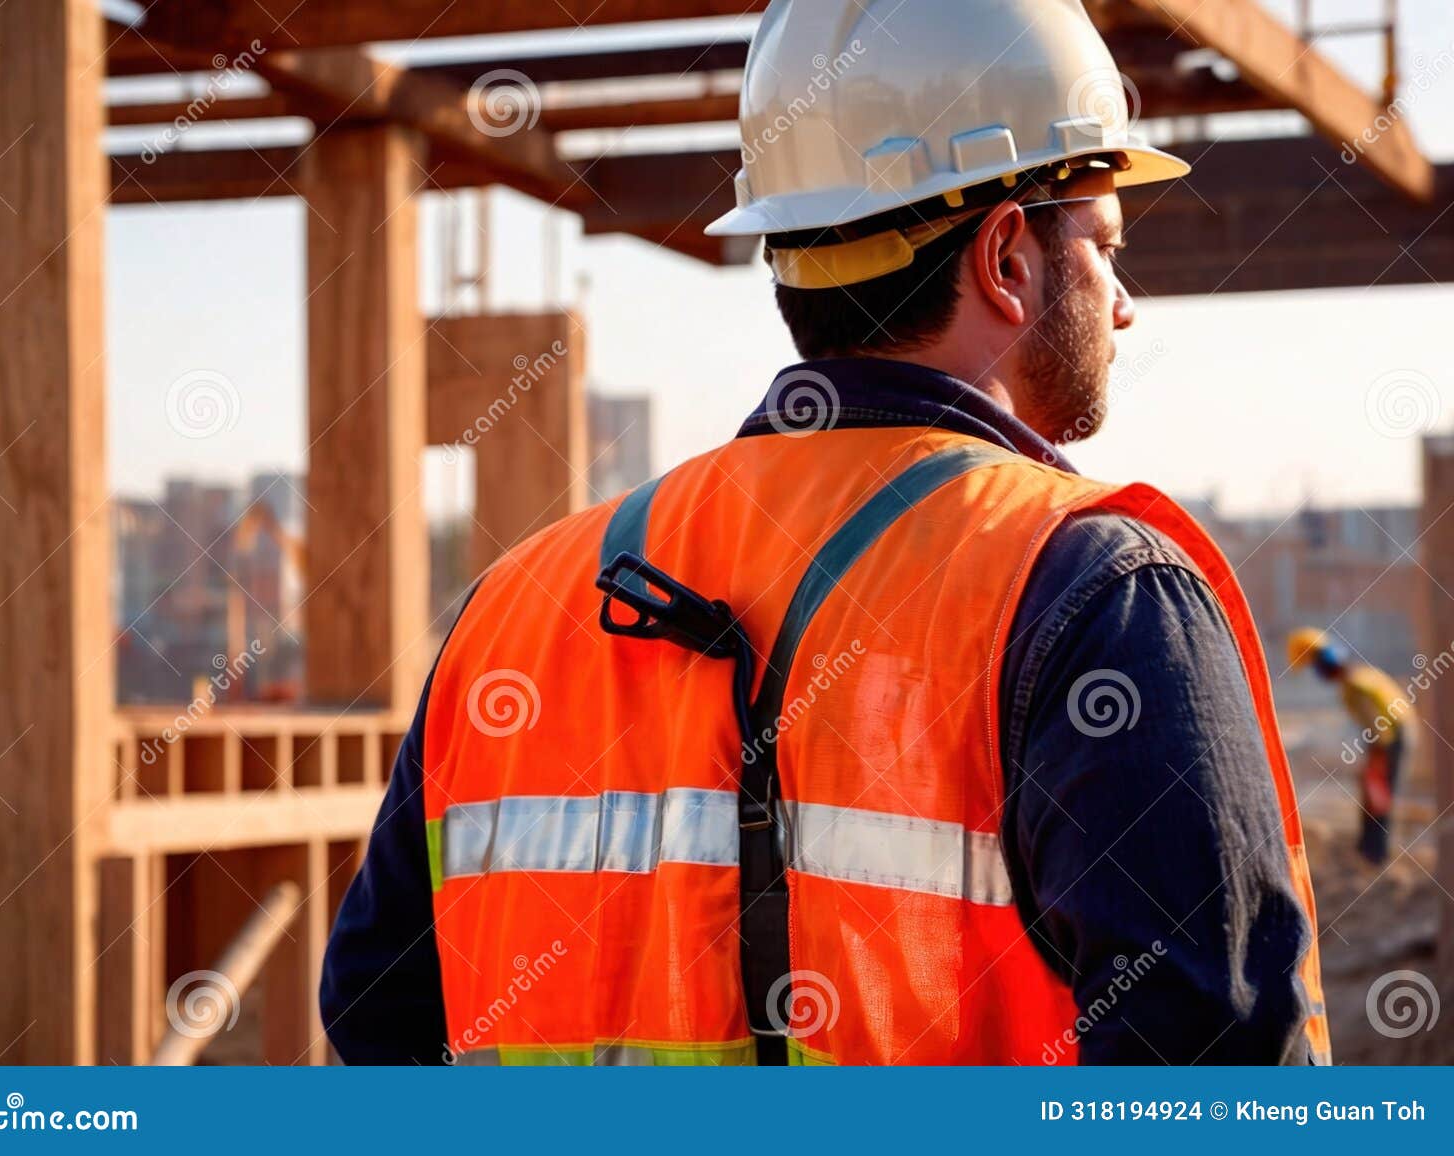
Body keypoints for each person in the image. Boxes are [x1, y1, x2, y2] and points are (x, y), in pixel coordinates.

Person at [321, 0, 1330, 1065]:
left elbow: (374, 1016)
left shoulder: (517, 602)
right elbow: (1219, 1070)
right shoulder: (1092, 588)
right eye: (1103, 242)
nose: (1120, 302)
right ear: (1005, 258)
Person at [1288, 627, 1414, 865]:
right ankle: (1370, 849)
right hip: (1390, 734)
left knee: (1379, 793)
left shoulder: (1355, 687)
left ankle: (1375, 854)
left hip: (1391, 736)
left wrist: (1376, 761)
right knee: (1375, 790)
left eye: (1315, 667)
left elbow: (1381, 730)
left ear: (1325, 664)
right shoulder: (1359, 678)